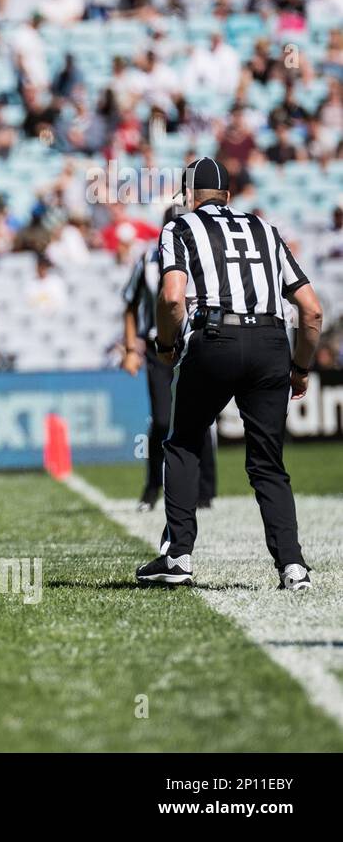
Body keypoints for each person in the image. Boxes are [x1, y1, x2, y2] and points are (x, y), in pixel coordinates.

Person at [138, 159, 323, 590]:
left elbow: (170, 299)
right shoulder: (266, 229)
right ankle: (292, 566)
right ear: (229, 195)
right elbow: (311, 310)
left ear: (188, 196)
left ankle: (178, 556)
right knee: (267, 463)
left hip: (215, 338)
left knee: (183, 444)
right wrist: (300, 368)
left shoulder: (179, 227)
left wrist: (167, 346)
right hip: (272, 342)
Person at [121, 204, 216, 512]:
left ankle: (205, 490)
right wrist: (131, 348)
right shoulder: (147, 260)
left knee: (199, 416)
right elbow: (131, 304)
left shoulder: (202, 257)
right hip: (155, 346)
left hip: (193, 342)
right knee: (162, 420)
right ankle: (152, 487)